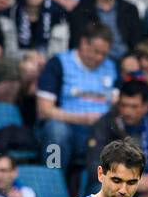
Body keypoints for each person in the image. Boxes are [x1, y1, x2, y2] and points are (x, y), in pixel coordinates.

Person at [36, 20, 118, 173]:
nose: (100, 58)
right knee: (56, 131)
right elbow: (44, 110)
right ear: (83, 43)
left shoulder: (111, 67)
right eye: (96, 51)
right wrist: (82, 118)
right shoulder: (59, 63)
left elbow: (117, 104)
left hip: (101, 131)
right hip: (69, 127)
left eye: (104, 54)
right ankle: (53, 181)